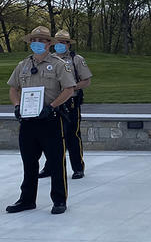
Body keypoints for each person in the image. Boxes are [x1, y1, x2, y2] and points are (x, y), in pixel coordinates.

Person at [6, 26, 76, 215]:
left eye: (41, 40)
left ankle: (59, 200)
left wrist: (52, 106)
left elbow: (69, 89)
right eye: (34, 40)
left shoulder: (59, 64)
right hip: (28, 121)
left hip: (50, 120)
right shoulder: (23, 65)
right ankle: (27, 200)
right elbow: (13, 88)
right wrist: (17, 106)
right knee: (29, 162)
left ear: (48, 44)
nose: (37, 43)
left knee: (55, 162)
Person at [39, 29, 92, 180]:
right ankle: (50, 167)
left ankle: (77, 168)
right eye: (57, 42)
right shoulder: (49, 59)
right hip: (53, 102)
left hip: (71, 102)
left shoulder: (76, 59)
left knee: (72, 135)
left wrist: (70, 88)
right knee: (52, 136)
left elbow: (87, 81)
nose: (60, 45)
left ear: (69, 44)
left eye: (63, 42)